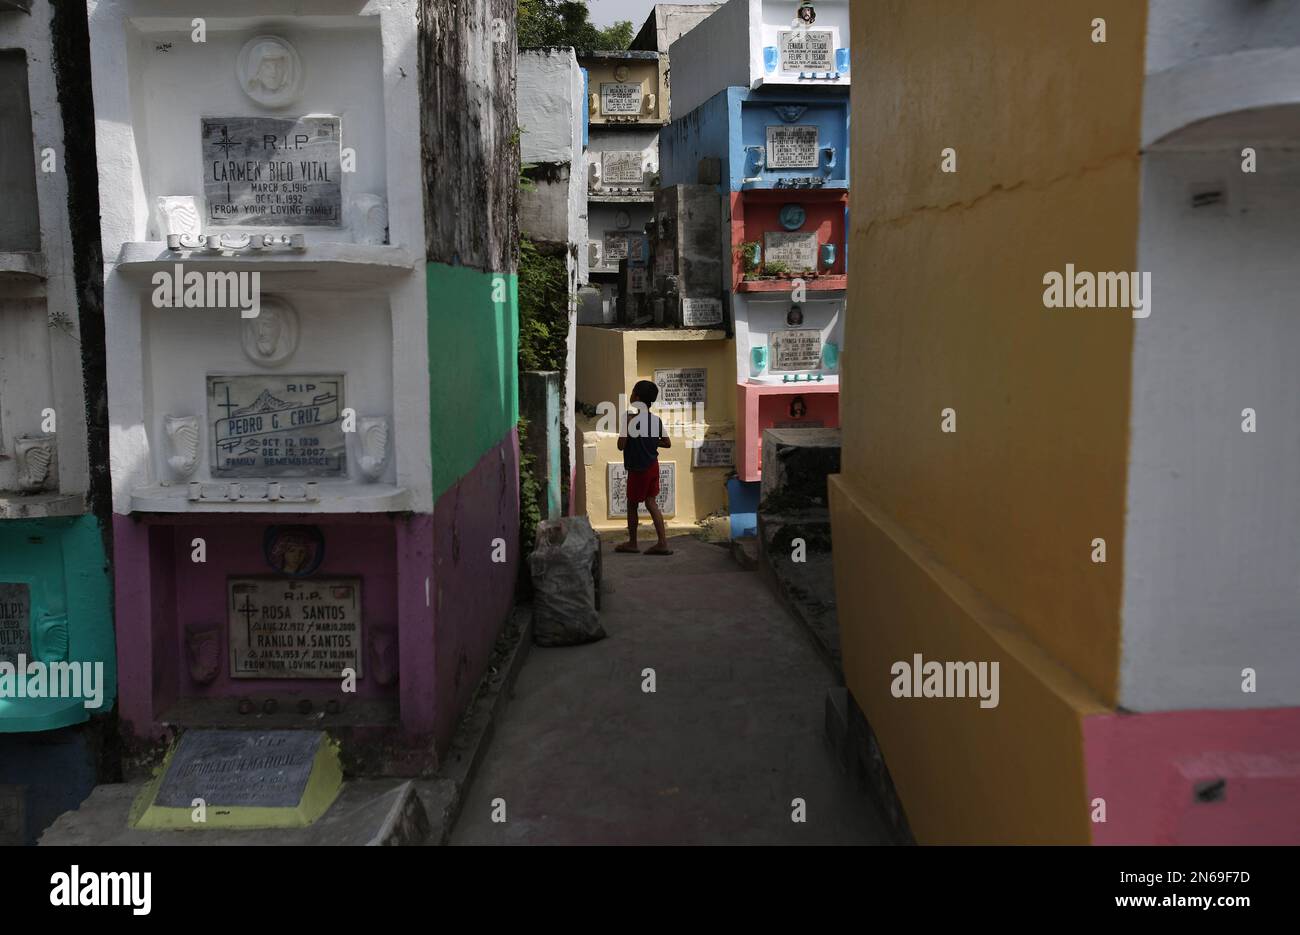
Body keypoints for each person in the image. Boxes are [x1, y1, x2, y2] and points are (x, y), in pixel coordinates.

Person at [615, 380, 672, 555]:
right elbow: (667, 443)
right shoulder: (656, 420)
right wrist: (651, 441)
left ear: (637, 398)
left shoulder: (630, 419)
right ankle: (662, 542)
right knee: (651, 502)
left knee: (632, 505)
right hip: (653, 465)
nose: (631, 395)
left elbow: (621, 445)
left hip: (638, 468)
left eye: (632, 392)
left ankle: (633, 543)